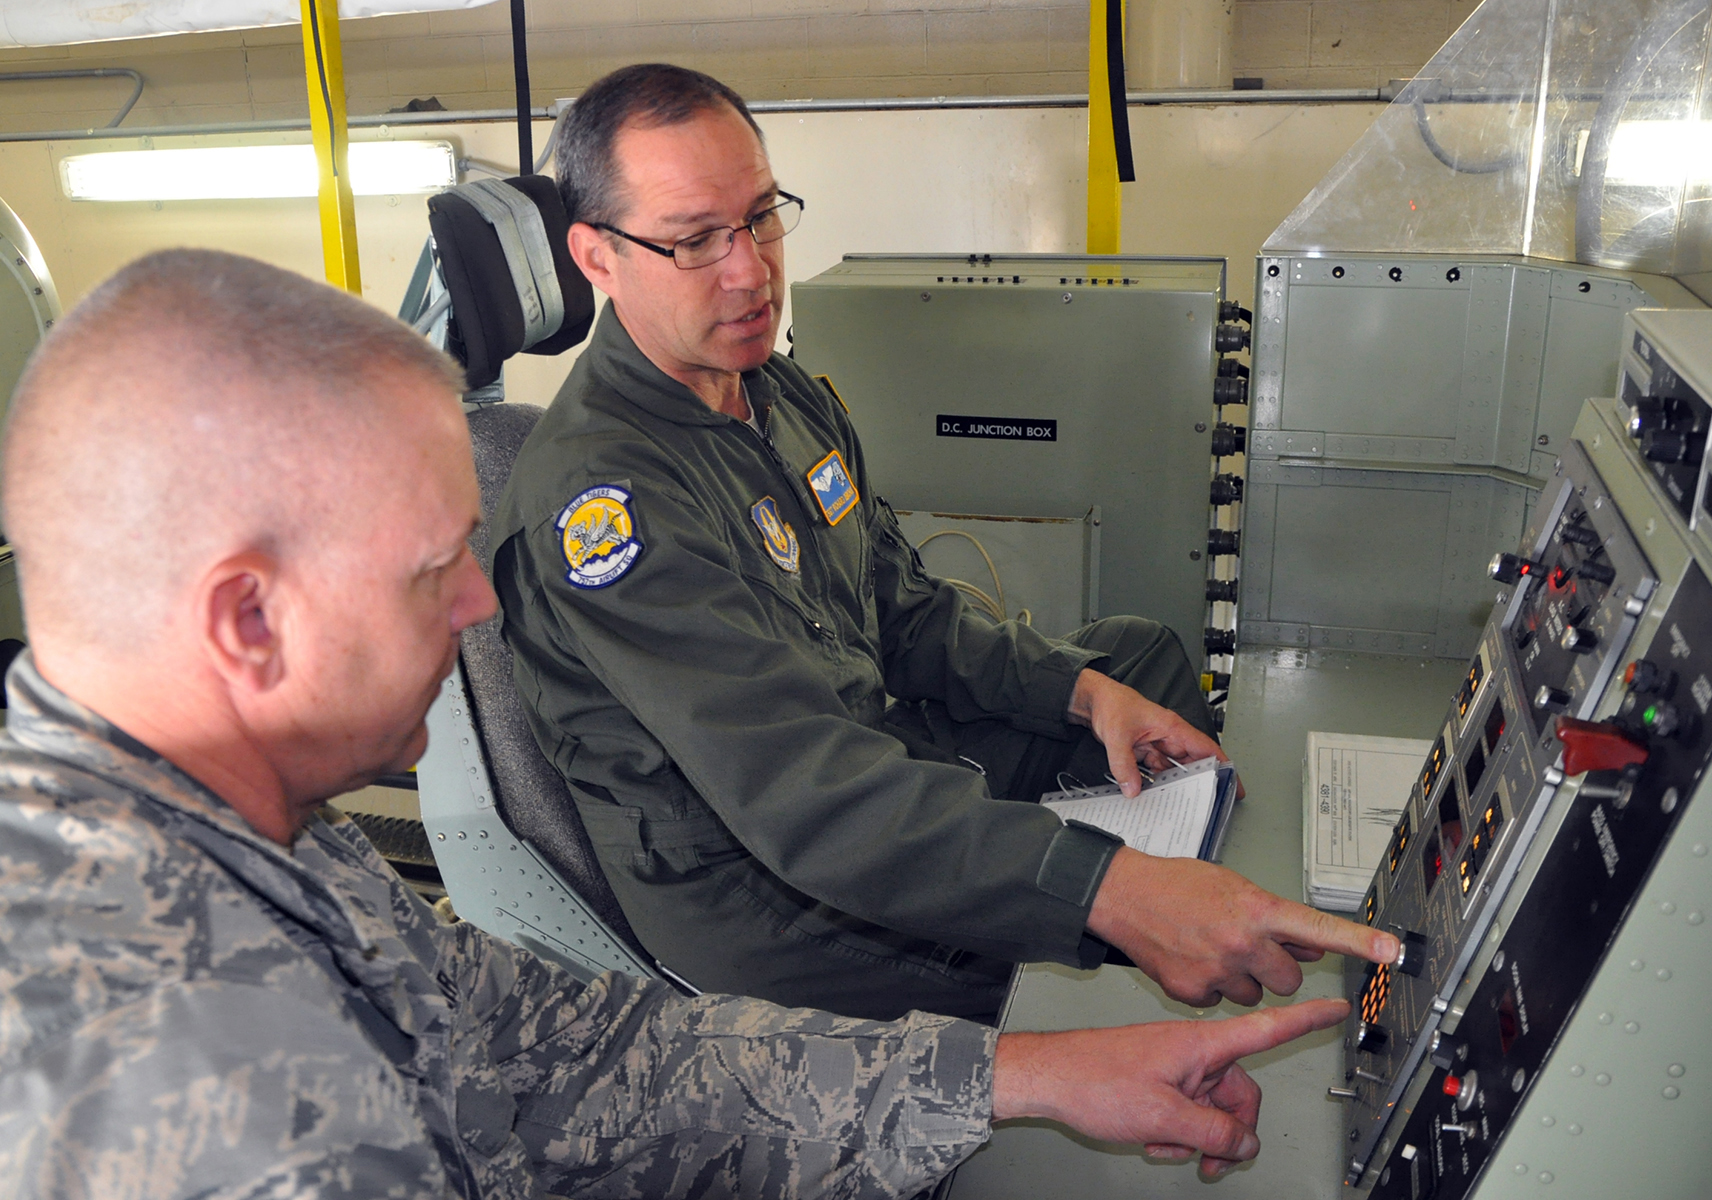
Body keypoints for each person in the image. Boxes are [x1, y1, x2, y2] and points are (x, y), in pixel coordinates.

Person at [0, 248, 1350, 1196]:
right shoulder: (177, 1078)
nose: (484, 610)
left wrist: (1031, 1076)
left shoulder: (242, 846)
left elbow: (571, 1057)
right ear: (246, 620)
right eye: (434, 571)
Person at [494, 64, 1399, 1022]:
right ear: (595, 257)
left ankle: (1183, 891)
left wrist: (1085, 693)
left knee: (1138, 659)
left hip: (863, 755)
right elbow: (811, 800)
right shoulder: (603, 506)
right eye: (695, 240)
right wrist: (1111, 893)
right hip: (761, 888)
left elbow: (903, 608)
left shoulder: (776, 392)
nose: (751, 270)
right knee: (1083, 962)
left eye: (761, 216)